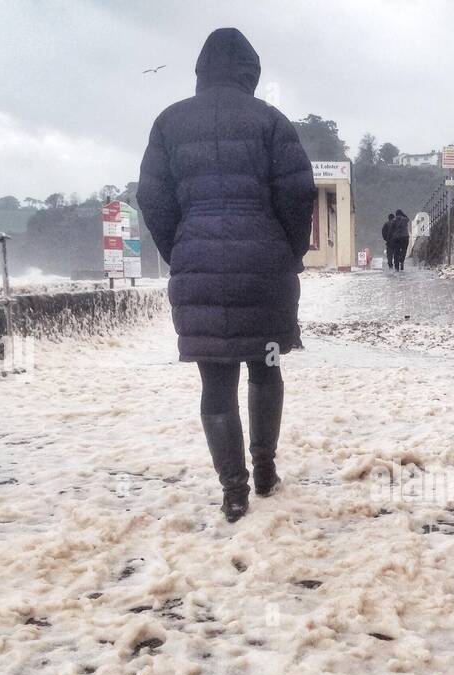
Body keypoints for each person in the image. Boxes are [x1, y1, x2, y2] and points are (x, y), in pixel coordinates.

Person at [137, 28, 317, 522]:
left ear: (200, 72)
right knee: (266, 366)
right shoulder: (271, 120)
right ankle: (265, 472)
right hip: (265, 268)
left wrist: (182, 247)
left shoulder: (169, 122)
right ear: (250, 74)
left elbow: (152, 198)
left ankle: (233, 493)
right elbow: (299, 192)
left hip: (198, 265)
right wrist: (289, 250)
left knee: (215, 384)